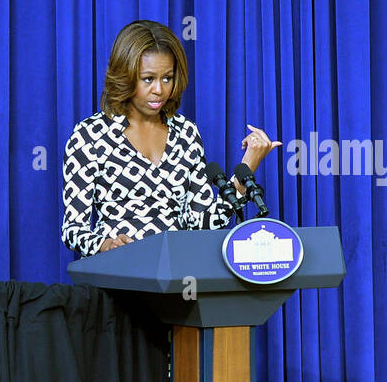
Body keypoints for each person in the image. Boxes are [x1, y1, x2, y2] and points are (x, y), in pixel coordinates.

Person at [61, 20, 281, 256]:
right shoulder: (90, 136)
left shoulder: (185, 133)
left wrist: (248, 164)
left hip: (180, 277)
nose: (159, 89)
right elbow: (73, 230)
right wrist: (105, 245)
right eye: (148, 79)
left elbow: (204, 223)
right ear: (125, 75)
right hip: (119, 279)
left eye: (167, 78)